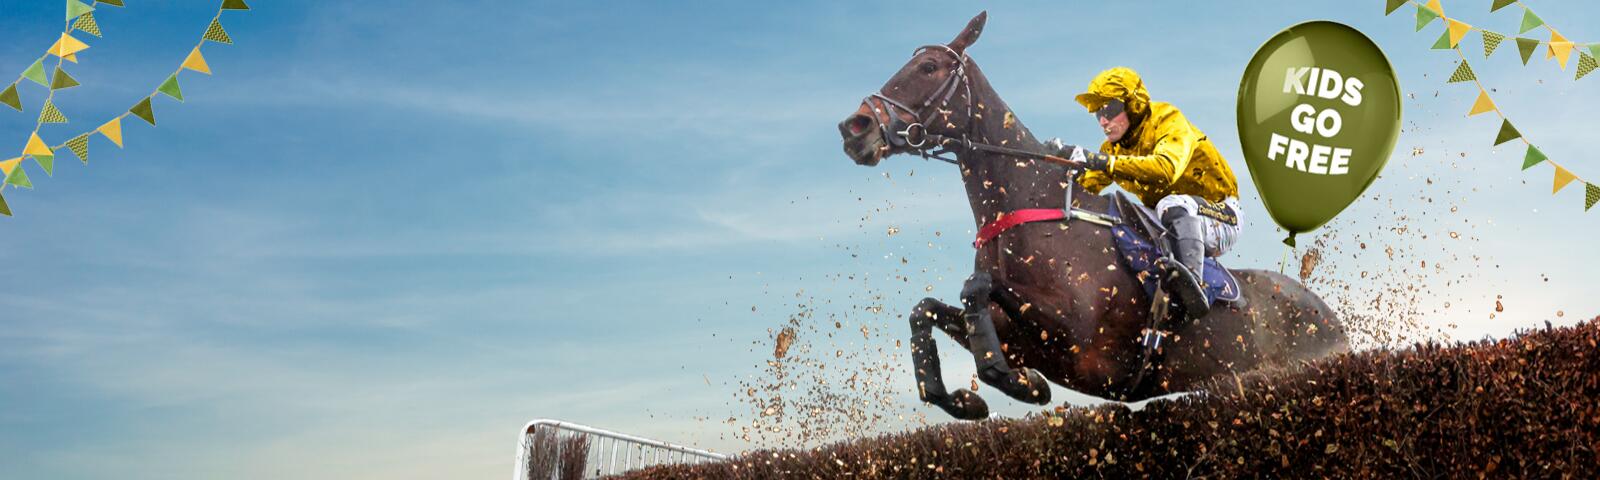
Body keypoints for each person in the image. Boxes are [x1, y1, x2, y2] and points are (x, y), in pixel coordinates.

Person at [1047, 67, 1241, 320]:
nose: (1103, 121)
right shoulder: (1113, 148)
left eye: (1109, 111)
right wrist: (1056, 171)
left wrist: (1097, 160)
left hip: (1220, 214)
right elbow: (1085, 192)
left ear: (1133, 105)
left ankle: (1192, 287)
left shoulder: (1167, 119)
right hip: (1170, 217)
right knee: (1116, 215)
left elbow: (1166, 169)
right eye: (1098, 115)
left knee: (1171, 204)